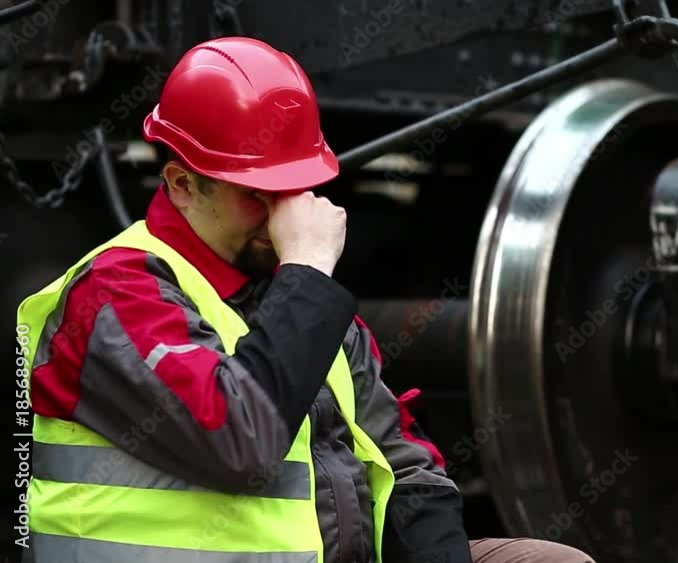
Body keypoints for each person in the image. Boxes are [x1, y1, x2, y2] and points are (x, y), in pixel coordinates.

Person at [15, 37, 596, 563]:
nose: (286, 215)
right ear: (182, 184)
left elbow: (404, 459)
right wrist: (309, 271)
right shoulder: (116, 293)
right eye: (259, 194)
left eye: (296, 186)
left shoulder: (289, 289)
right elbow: (236, 440)